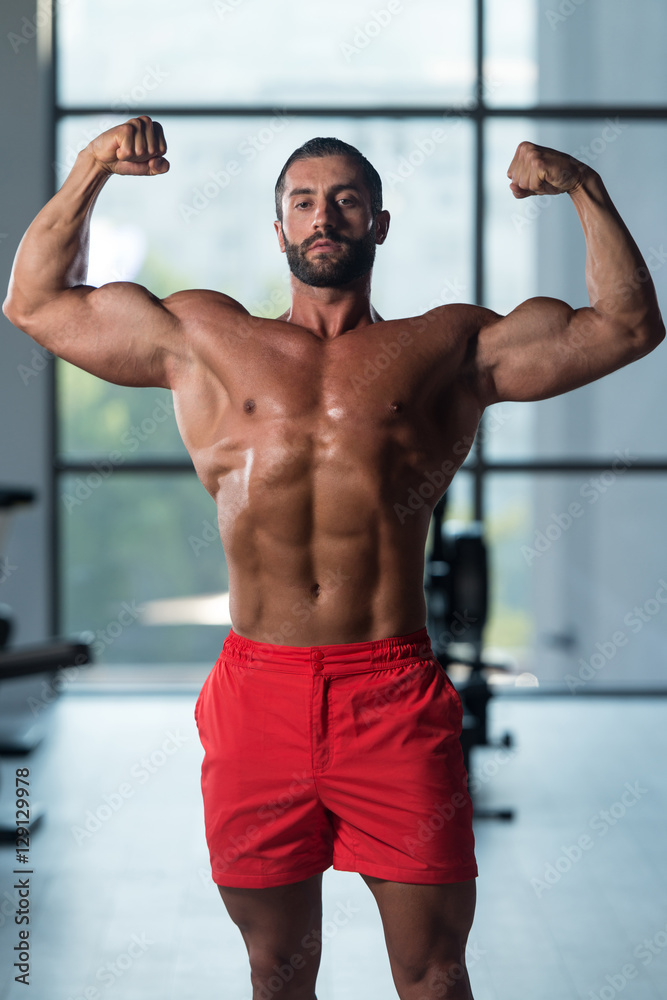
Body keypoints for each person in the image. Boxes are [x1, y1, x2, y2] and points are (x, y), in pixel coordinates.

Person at [3, 116, 664, 1000]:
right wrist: (91, 166)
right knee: (275, 973)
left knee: (433, 973)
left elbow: (626, 327)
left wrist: (584, 186)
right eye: (304, 201)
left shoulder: (445, 348)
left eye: (346, 201)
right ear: (277, 227)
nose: (324, 216)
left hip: (391, 691)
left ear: (378, 224)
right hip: (257, 694)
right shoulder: (204, 339)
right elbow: (36, 302)